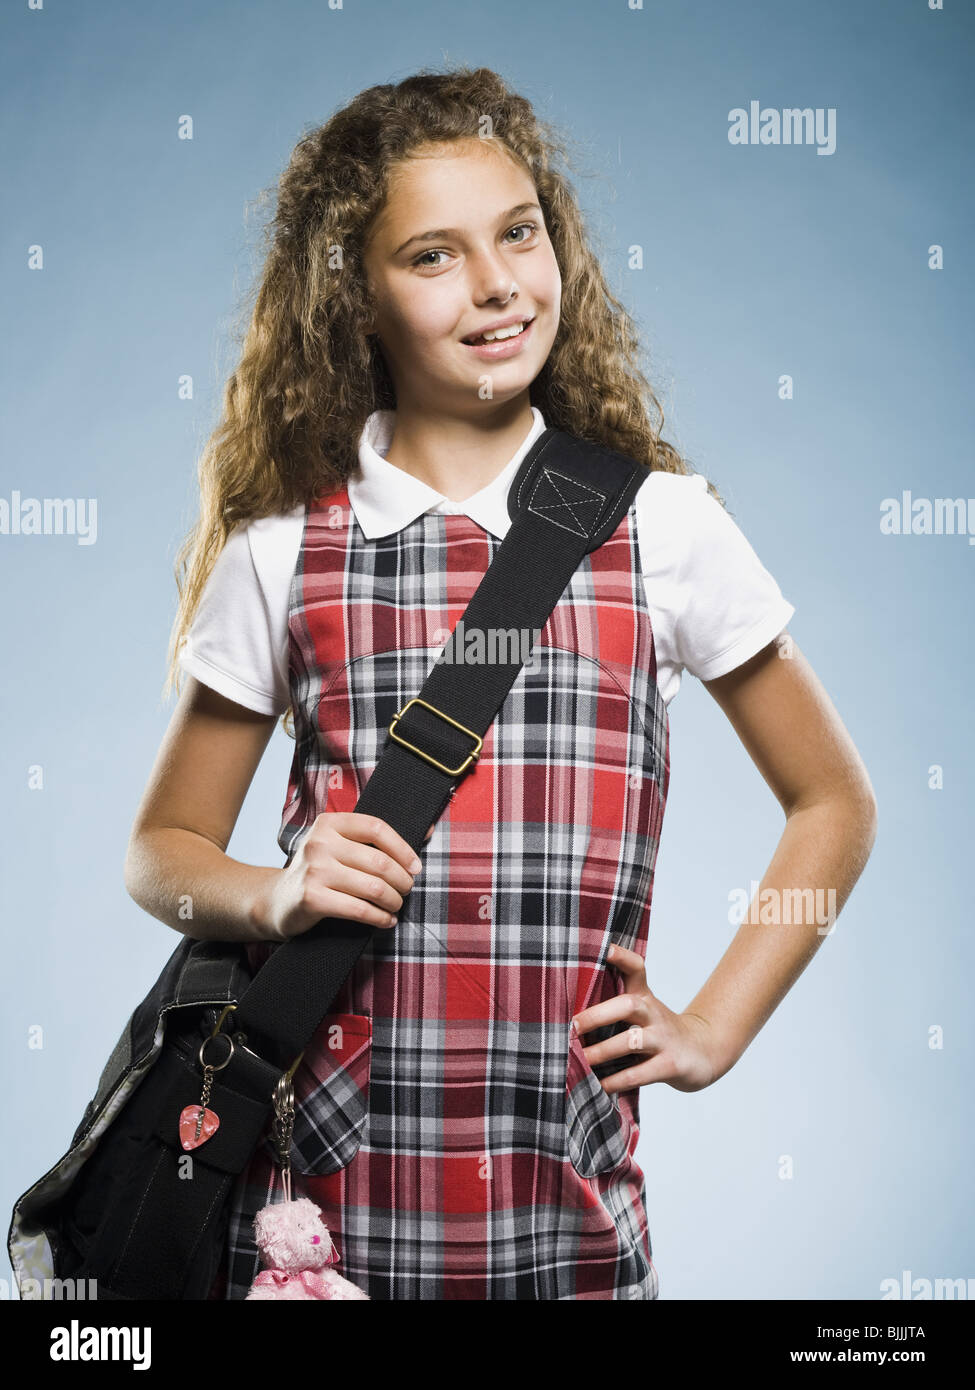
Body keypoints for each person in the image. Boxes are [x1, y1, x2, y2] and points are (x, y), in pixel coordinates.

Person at [124, 65, 877, 1301]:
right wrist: (274, 892)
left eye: (519, 233)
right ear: (353, 297)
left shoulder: (663, 531)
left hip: (571, 1226)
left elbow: (834, 803)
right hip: (318, 1229)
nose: (496, 286)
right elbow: (162, 848)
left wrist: (714, 1029)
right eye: (432, 255)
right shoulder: (283, 554)